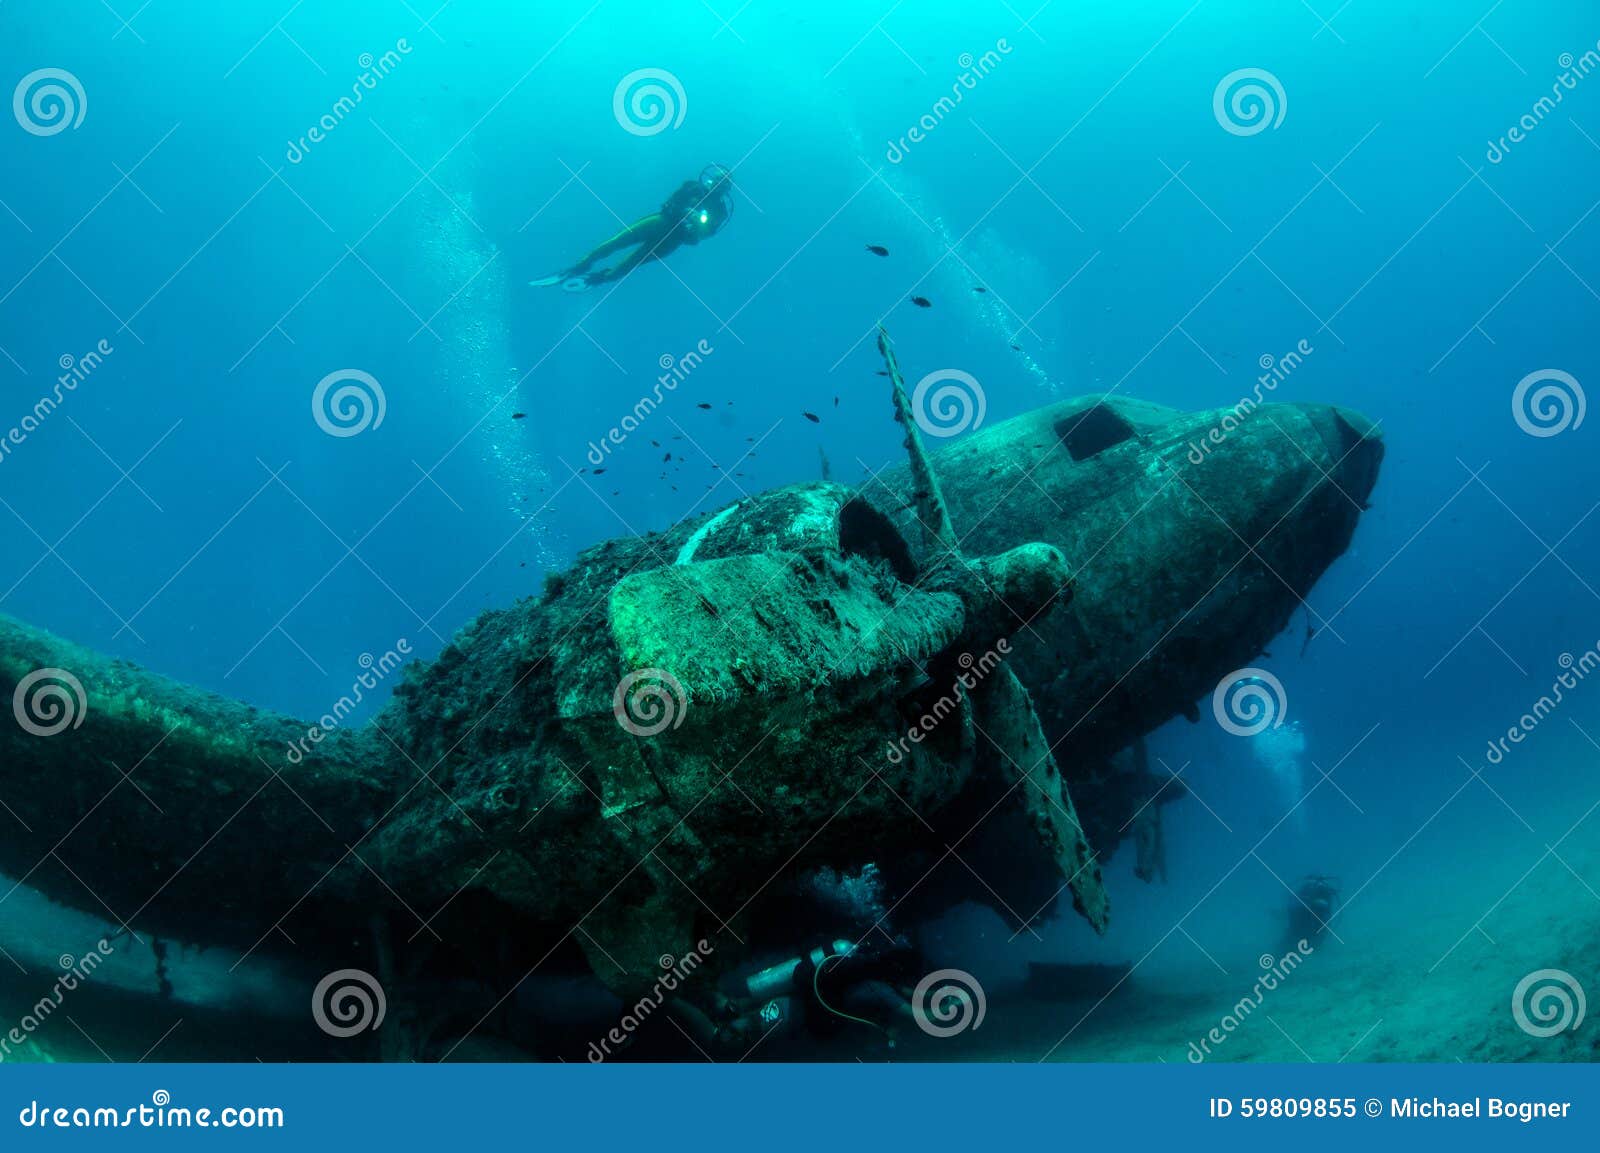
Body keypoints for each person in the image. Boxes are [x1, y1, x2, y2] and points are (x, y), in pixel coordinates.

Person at [531, 164, 734, 292]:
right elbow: (672, 202)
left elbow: (705, 234)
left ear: (725, 189)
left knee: (631, 263)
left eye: (721, 183)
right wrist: (686, 212)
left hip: (674, 239)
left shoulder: (721, 211)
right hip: (660, 222)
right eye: (716, 180)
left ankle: (598, 278)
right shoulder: (692, 187)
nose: (716, 184)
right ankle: (580, 266)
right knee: (616, 242)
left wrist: (696, 225)